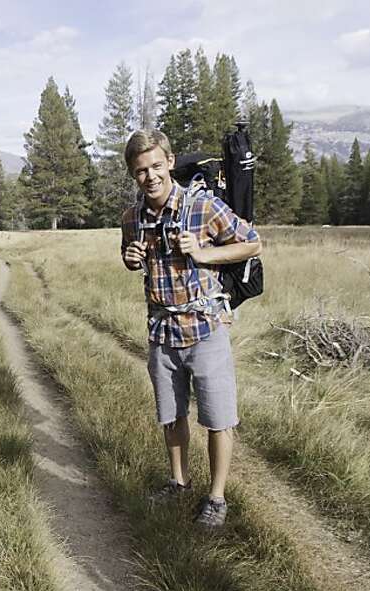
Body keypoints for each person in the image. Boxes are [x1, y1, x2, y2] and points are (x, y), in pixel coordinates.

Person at [119, 129, 262, 527]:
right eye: (141, 171)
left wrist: (203, 252)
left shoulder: (203, 208)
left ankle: (216, 497)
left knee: (218, 419)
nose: (150, 177)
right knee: (171, 414)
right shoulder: (132, 218)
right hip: (162, 333)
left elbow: (251, 243)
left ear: (169, 161)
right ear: (134, 175)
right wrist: (131, 258)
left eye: (156, 166)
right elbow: (134, 260)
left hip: (206, 328)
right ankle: (177, 482)